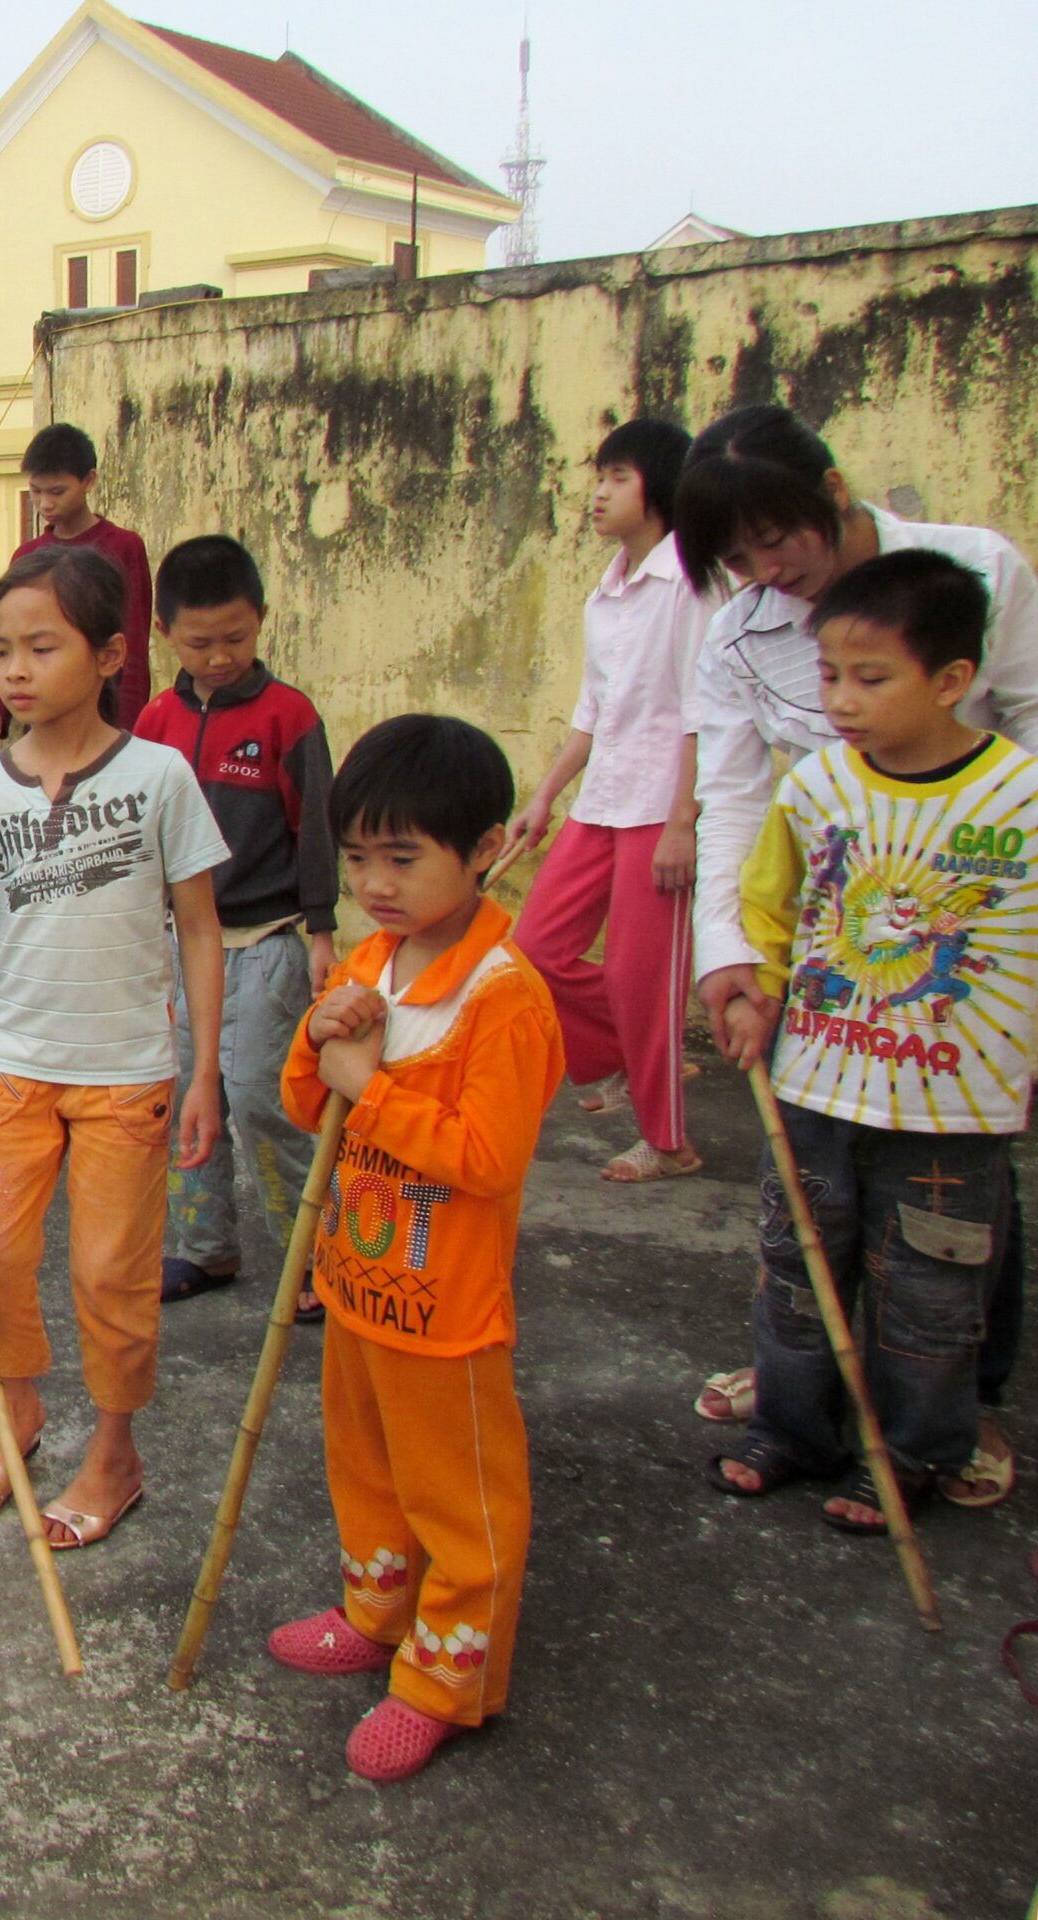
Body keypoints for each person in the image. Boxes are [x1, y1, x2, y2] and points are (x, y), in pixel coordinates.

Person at [679, 404, 1034, 1509]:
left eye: (773, 540)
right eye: (737, 559)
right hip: (827, 1030)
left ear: (831, 492)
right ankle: (804, 1409)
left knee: (940, 1255)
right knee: (804, 1238)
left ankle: (934, 1426)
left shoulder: (977, 574)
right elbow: (743, 809)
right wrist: (734, 962)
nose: (763, 574)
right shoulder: (763, 676)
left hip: (957, 1030)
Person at [0, 544, 227, 1549]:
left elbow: (199, 928)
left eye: (42, 647)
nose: (16, 670)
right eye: (2, 650)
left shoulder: (160, 776)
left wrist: (204, 1071)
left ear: (110, 654)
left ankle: (114, 1455)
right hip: (15, 1070)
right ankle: (19, 1408)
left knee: (111, 1275)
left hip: (128, 1075)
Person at [269, 715, 564, 1785]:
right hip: (356, 1285)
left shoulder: (503, 998)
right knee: (364, 1470)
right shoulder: (371, 961)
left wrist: (369, 1085)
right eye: (356, 859)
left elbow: (485, 1157)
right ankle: (374, 1613)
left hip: (447, 1312)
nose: (374, 885)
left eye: (402, 858)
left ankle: (442, 1681)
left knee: (461, 1501)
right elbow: (308, 1107)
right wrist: (316, 1039)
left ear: (483, 849)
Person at [131, 535, 339, 1311]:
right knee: (184, 1097)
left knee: (259, 1098)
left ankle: (316, 1260)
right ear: (164, 634)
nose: (219, 657)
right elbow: (138, 832)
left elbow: (316, 831)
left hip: (266, 943)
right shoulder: (156, 720)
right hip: (179, 948)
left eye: (236, 638)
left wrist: (322, 932)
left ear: (262, 620)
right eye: (199, 643)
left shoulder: (291, 716)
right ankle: (205, 1248)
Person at [502, 419, 708, 1183]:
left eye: (619, 478)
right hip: (602, 799)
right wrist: (545, 798)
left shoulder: (691, 585)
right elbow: (593, 711)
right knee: (535, 951)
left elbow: (703, 713)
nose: (599, 493)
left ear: (659, 488)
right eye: (599, 477)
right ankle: (629, 1052)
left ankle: (668, 1140)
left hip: (661, 805)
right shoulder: (608, 590)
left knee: (638, 976)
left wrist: (684, 822)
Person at [0, 424, 155, 762]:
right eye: (35, 491)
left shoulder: (123, 547)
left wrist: (128, 734)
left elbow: (133, 647)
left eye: (57, 491)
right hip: (43, 725)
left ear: (89, 480)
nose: (44, 503)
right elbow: (10, 644)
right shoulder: (28, 556)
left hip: (103, 721)